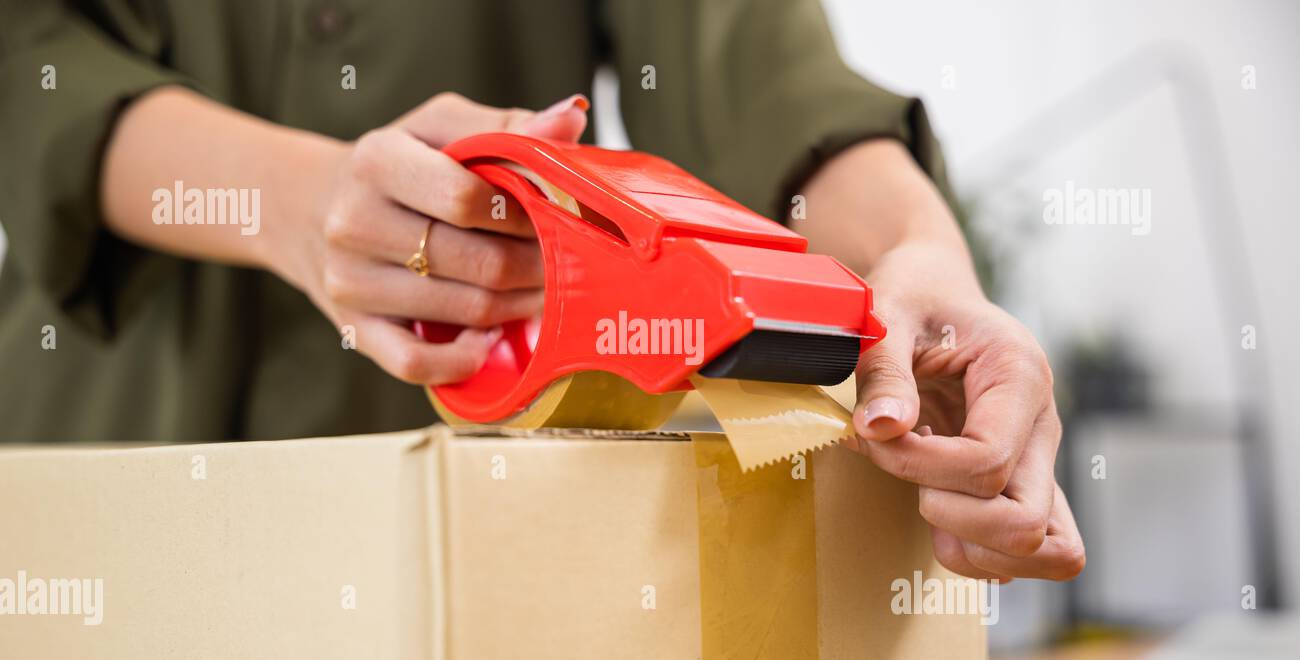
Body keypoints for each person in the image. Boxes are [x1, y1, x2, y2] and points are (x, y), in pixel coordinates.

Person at [0, 0, 1082, 581]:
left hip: (490, 514)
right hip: (104, 462)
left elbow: (747, 54)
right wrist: (298, 199)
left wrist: (918, 251)